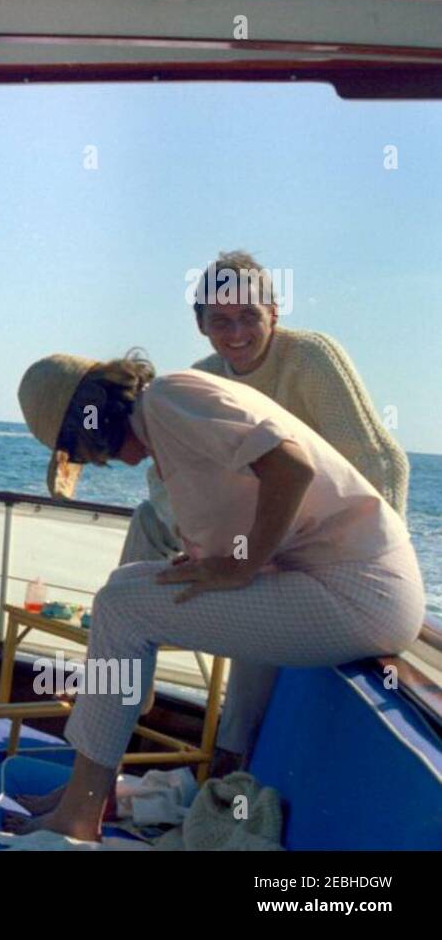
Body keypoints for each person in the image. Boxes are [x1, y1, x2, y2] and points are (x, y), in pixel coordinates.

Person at [2, 352, 423, 848]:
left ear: (88, 422)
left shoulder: (169, 399)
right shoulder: (166, 435)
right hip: (336, 586)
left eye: (77, 448)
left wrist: (240, 565)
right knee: (128, 592)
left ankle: (80, 808)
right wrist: (214, 559)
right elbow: (251, 515)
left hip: (362, 591)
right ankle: (89, 791)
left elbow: (291, 467)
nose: (92, 461)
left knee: (120, 603)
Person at [120, 251, 411, 772]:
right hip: (252, 532)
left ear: (274, 312)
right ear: (201, 324)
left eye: (249, 316)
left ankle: (232, 764)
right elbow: (163, 479)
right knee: (146, 520)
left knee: (258, 583)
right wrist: (202, 547)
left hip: (327, 541)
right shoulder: (203, 377)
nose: (236, 333)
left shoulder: (311, 360)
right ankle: (130, 684)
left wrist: (376, 561)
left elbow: (381, 460)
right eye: (221, 320)